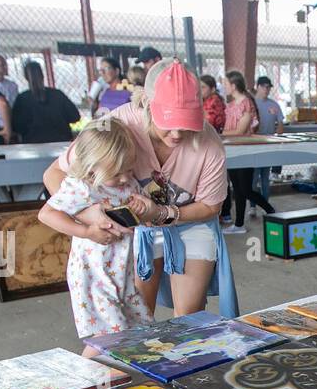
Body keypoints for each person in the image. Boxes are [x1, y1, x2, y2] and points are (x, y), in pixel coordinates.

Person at [43, 59, 230, 317]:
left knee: (189, 318)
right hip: (136, 229)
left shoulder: (209, 144)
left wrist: (163, 214)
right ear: (148, 105)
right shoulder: (117, 126)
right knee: (137, 315)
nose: (177, 134)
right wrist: (87, 214)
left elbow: (211, 206)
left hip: (189, 220)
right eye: (168, 121)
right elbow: (54, 173)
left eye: (186, 123)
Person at [38, 119, 160, 353]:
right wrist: (87, 232)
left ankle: (113, 378)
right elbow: (47, 214)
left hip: (121, 277)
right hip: (92, 276)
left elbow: (137, 220)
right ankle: (84, 380)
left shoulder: (128, 185)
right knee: (111, 337)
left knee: (140, 329)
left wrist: (142, 210)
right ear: (92, 167)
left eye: (129, 169)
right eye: (116, 173)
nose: (125, 178)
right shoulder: (82, 187)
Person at [221, 71, 275, 231]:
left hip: (244, 149)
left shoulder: (246, 103)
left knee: (243, 189)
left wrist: (219, 133)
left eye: (226, 84)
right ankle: (240, 224)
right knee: (238, 188)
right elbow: (230, 129)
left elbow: (240, 131)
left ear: (233, 85)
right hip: (232, 149)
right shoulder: (230, 105)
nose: (224, 87)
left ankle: (267, 210)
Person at [11, 60, 80, 143]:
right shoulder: (57, 94)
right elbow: (75, 117)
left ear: (26, 77)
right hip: (61, 142)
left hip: (33, 144)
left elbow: (16, 127)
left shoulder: (22, 99)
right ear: (42, 75)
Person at [253, 75, 285, 205]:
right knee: (254, 177)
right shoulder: (252, 103)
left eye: (268, 87)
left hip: (269, 144)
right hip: (254, 144)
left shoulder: (274, 105)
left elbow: (281, 123)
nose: (266, 90)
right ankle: (253, 206)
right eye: (264, 87)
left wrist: (277, 139)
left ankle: (266, 204)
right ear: (258, 87)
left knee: (265, 177)